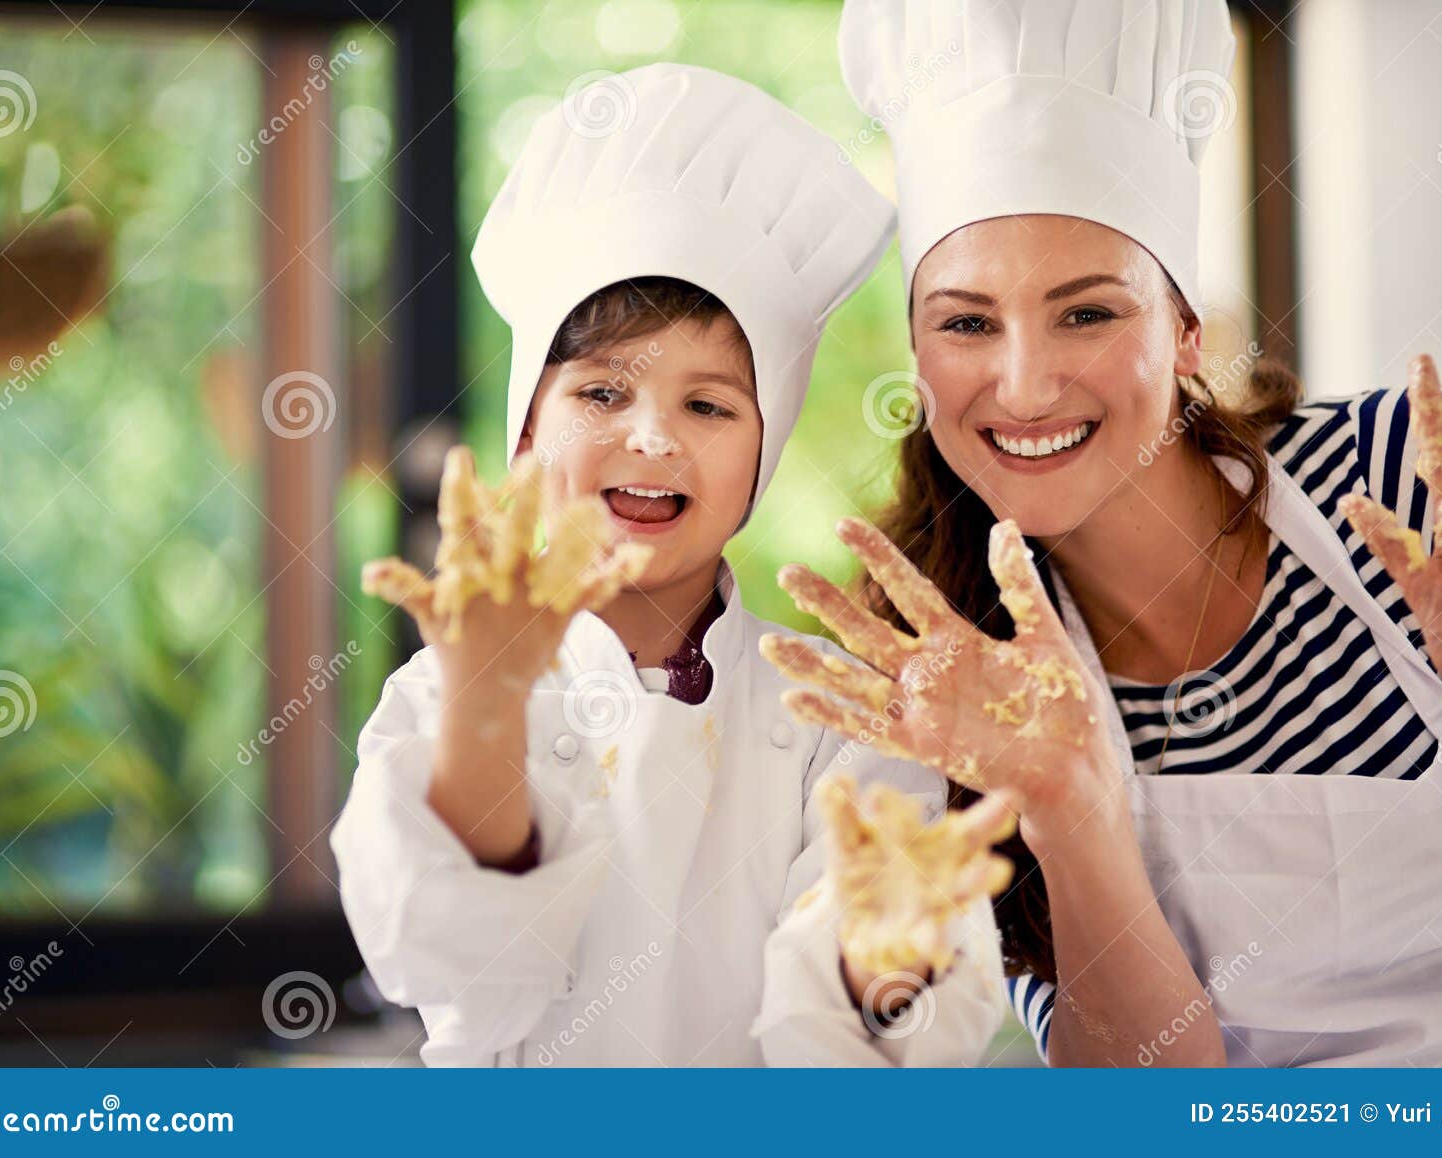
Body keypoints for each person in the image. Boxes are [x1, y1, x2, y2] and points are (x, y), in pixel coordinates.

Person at [768, 0, 1442, 1066]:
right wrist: (1066, 810)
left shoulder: (1419, 487)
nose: (1025, 383)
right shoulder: (951, 680)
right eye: (964, 323)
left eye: (1087, 313)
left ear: (1186, 333)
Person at [328, 63, 1014, 1067]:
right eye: (601, 394)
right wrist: (484, 701)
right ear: (527, 435)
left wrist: (885, 956)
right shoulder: (447, 687)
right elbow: (451, 973)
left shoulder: (837, 715)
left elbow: (864, 1040)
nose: (652, 440)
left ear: (761, 457)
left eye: (707, 406)